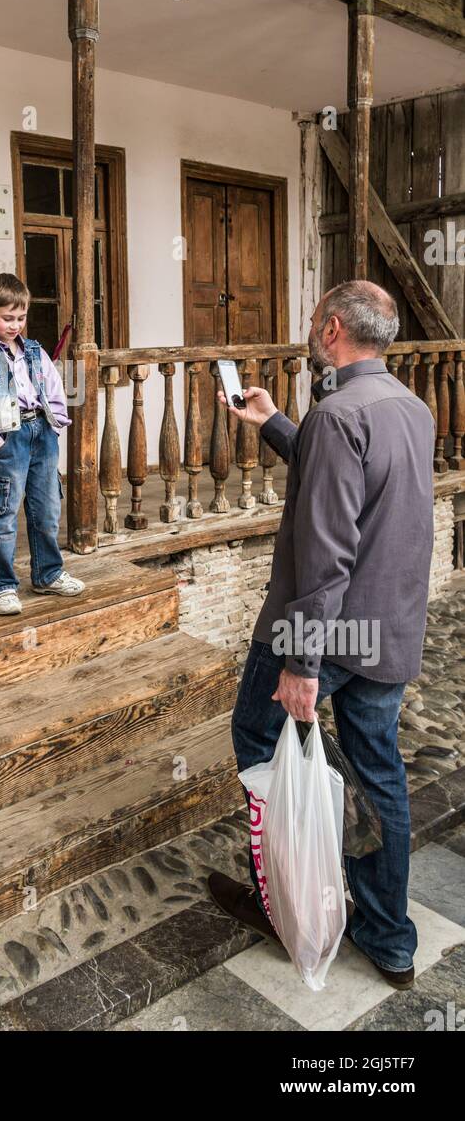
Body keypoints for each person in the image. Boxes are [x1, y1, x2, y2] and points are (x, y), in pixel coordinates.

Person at [208, 280, 436, 990]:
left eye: (313, 321)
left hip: (327, 633)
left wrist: (301, 662)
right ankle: (389, 937)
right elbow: (346, 480)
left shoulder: (339, 415)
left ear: (333, 328)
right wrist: (277, 424)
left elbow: (327, 548)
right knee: (380, 771)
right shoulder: (410, 407)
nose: (310, 330)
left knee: (258, 736)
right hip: (388, 628)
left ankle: (289, 902)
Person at [0, 273, 86, 615]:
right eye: (7, 318)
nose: (15, 325)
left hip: (42, 434)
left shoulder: (35, 351)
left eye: (21, 318)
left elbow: (55, 389)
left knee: (47, 509)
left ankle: (48, 573)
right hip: (8, 439)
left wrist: (54, 427)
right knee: (3, 515)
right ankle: (3, 586)